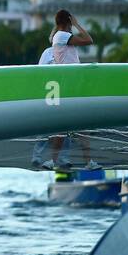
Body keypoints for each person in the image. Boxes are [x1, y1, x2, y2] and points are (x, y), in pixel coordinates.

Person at [40, 10, 97, 174]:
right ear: (69, 21)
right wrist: (78, 24)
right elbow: (89, 40)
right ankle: (56, 160)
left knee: (75, 126)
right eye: (72, 22)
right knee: (71, 126)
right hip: (69, 87)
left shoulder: (60, 36)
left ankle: (60, 161)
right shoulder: (61, 36)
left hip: (71, 86)